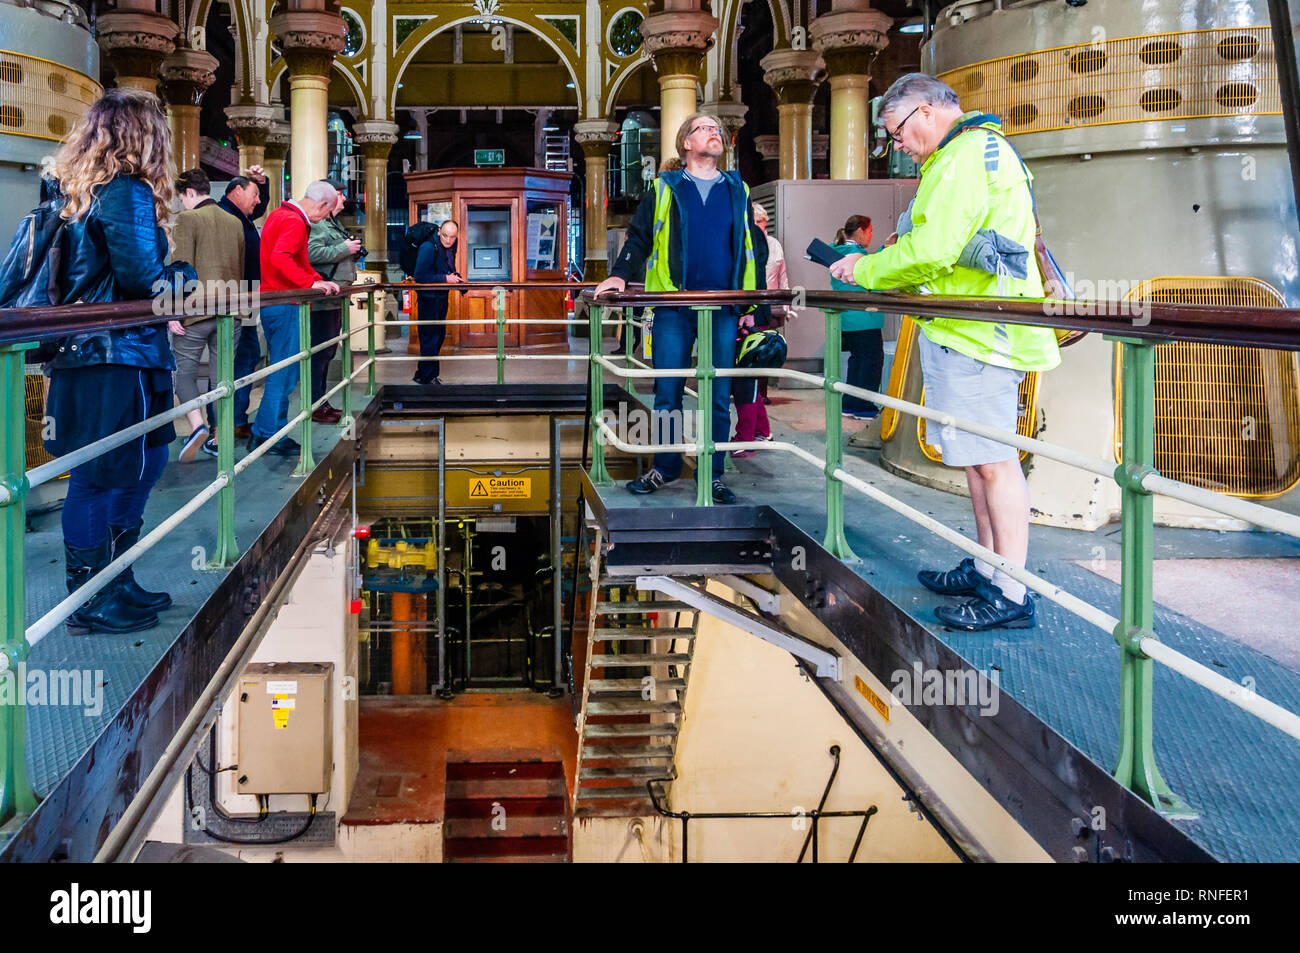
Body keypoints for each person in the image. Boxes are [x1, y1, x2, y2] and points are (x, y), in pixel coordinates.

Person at [830, 73, 1060, 631]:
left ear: (929, 112)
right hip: (965, 330)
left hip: (982, 333)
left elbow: (933, 251)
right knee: (980, 464)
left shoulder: (965, 156)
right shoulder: (965, 155)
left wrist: (865, 269)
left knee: (995, 463)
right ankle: (990, 567)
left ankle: (1010, 591)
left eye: (898, 133)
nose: (899, 147)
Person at [41, 88, 198, 634]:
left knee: (139, 462)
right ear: (142, 135)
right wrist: (184, 275)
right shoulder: (125, 190)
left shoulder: (78, 191)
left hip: (105, 352)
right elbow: (143, 280)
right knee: (102, 474)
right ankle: (89, 599)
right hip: (115, 353)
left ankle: (114, 578)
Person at [594, 112, 765, 505]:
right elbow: (639, 237)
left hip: (722, 308)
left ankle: (714, 473)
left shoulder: (737, 189)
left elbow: (750, 245)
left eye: (717, 128)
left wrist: (753, 302)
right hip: (672, 305)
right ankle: (666, 467)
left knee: (718, 393)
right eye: (705, 128)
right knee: (667, 390)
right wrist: (619, 275)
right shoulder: (665, 186)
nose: (715, 132)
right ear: (686, 143)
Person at [252, 179, 341, 455]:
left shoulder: (279, 215)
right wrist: (310, 282)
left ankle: (265, 431)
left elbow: (293, 260)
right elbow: (282, 258)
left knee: (284, 371)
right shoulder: (294, 222)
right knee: (285, 373)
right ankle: (269, 435)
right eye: (327, 212)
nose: (325, 217)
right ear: (323, 205)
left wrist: (316, 278)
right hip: (285, 304)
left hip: (275, 303)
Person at [169, 168, 246, 462]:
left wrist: (173, 311)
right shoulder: (235, 221)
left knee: (183, 373)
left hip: (195, 311)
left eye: (181, 198)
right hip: (232, 311)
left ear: (189, 193)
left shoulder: (188, 219)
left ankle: (198, 426)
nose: (181, 205)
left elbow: (181, 269)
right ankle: (219, 436)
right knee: (222, 377)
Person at [217, 170, 269, 442]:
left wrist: (262, 183)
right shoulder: (224, 217)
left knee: (247, 355)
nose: (258, 201)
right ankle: (225, 424)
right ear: (236, 192)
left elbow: (259, 205)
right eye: (254, 195)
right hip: (231, 300)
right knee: (234, 358)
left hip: (245, 300)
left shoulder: (242, 217)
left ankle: (236, 420)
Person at [307, 182, 359, 420]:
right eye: (340, 195)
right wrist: (344, 248)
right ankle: (316, 405)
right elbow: (311, 253)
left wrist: (347, 249)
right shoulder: (318, 225)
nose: (344, 200)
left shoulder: (331, 224)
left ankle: (321, 402)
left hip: (333, 299)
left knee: (326, 353)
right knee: (320, 353)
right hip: (321, 301)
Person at [831, 214, 886, 421]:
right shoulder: (856, 256)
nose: (871, 236)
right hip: (865, 318)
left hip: (845, 319)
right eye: (870, 231)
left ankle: (850, 402)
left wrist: (881, 251)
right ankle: (863, 406)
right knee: (870, 363)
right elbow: (871, 277)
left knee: (857, 363)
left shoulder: (837, 251)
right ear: (861, 231)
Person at [412, 219, 462, 385]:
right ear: (439, 231)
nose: (448, 240)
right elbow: (419, 276)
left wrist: (454, 276)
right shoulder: (428, 247)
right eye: (445, 236)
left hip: (441, 298)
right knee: (429, 338)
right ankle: (427, 377)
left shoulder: (450, 246)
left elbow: (446, 266)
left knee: (438, 336)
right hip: (428, 300)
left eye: (453, 237)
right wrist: (445, 278)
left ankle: (424, 374)